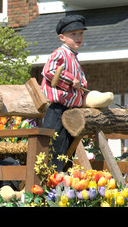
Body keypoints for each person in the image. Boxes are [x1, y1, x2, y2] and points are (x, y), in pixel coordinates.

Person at [41, 14, 88, 172]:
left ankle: (65, 187)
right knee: (54, 150)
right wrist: (70, 80)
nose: (78, 37)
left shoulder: (74, 58)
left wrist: (81, 85)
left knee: (68, 151)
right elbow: (48, 71)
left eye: (80, 33)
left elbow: (80, 83)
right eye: (73, 34)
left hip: (70, 112)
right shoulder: (60, 54)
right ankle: (52, 187)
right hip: (57, 111)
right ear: (62, 37)